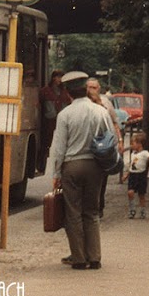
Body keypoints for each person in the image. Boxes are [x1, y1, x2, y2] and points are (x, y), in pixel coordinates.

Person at [49, 71, 113, 270]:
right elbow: (110, 139)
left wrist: (56, 173)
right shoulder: (100, 112)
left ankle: (78, 258)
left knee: (73, 212)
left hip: (72, 166)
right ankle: (94, 257)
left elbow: (59, 148)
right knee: (92, 211)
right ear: (86, 89)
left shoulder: (65, 115)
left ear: (67, 92)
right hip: (95, 166)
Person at [86, 78, 124, 216]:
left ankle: (99, 206)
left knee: (102, 177)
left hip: (104, 146)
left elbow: (114, 122)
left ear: (99, 89)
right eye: (89, 87)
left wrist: (120, 140)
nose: (91, 90)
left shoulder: (106, 103)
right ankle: (91, 206)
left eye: (94, 87)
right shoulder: (83, 103)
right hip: (88, 146)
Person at [39, 70, 72, 173]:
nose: (60, 80)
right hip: (48, 122)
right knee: (46, 143)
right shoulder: (45, 91)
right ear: (54, 78)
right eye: (59, 77)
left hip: (62, 122)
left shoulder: (65, 92)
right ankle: (43, 163)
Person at [124, 133, 149, 219]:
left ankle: (143, 209)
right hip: (133, 175)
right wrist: (127, 174)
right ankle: (132, 208)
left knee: (141, 194)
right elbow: (132, 165)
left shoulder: (145, 153)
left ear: (139, 144)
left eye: (133, 143)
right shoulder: (133, 154)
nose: (132, 145)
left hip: (141, 175)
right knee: (130, 192)